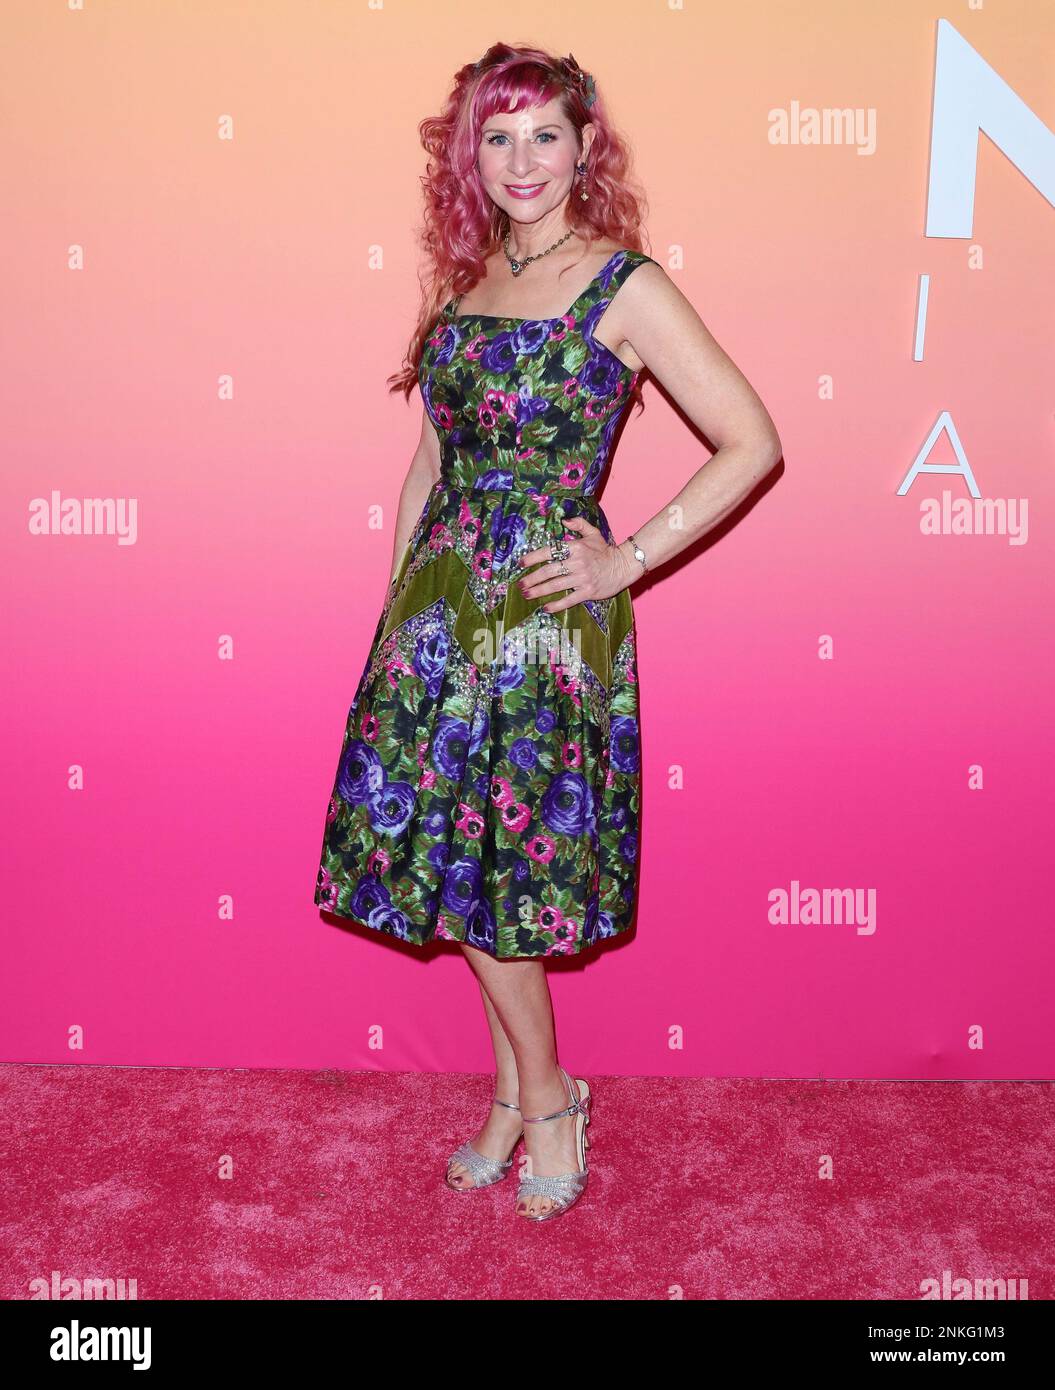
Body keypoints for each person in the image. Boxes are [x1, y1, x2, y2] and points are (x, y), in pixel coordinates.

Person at [314, 43, 782, 1221]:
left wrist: (628, 556)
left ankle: (552, 1098)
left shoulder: (622, 285)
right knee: (459, 872)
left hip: (539, 627)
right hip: (437, 625)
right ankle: (522, 1095)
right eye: (496, 134)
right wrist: (394, 620)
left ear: (584, 147)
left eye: (543, 133)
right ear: (468, 155)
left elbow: (750, 439)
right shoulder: (463, 289)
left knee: (505, 876)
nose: (521, 158)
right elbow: (426, 463)